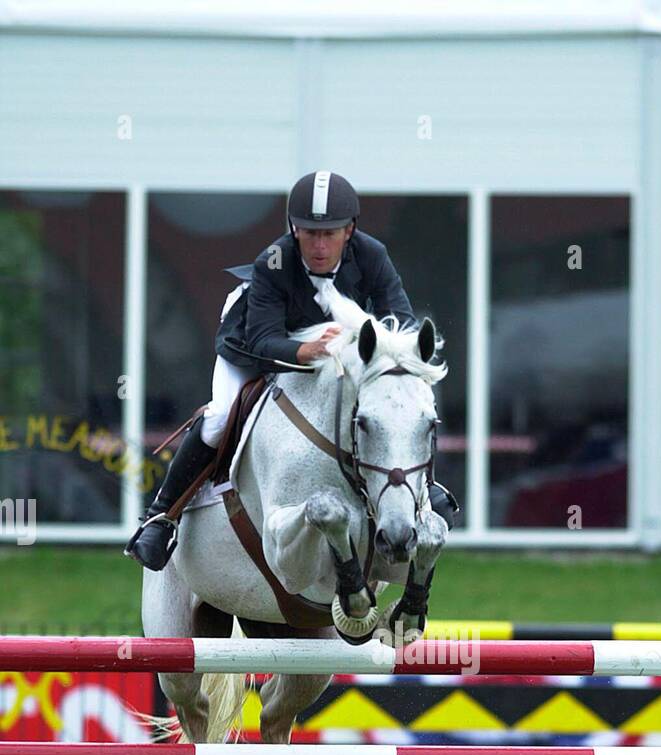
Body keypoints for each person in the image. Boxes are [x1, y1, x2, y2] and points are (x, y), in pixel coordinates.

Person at [126, 170, 458, 570]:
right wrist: (306, 350)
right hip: (254, 346)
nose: (319, 245)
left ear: (349, 230)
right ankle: (162, 518)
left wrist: (396, 359)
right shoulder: (274, 260)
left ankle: (428, 491)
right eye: (308, 232)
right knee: (217, 418)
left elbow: (399, 323)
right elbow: (263, 339)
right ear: (293, 229)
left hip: (333, 355)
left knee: (396, 409)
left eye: (330, 233)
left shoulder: (373, 255)